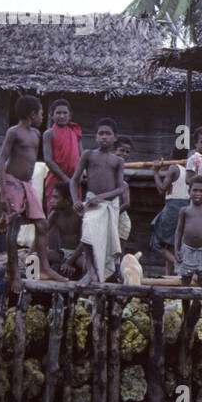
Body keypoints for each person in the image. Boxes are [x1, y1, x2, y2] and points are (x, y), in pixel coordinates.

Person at [0, 95, 66, 292]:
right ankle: (13, 273)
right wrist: (3, 191)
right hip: (12, 183)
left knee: (42, 224)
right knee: (13, 228)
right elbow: (1, 160)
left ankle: (43, 268)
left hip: (26, 184)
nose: (43, 117)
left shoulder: (36, 134)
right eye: (42, 113)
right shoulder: (14, 132)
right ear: (32, 114)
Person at [68, 118, 126, 285]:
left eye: (108, 134)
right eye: (101, 133)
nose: (104, 137)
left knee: (106, 241)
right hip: (91, 201)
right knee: (87, 232)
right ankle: (91, 272)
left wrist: (102, 197)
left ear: (115, 137)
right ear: (95, 137)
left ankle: (105, 275)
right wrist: (75, 200)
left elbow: (120, 188)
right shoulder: (88, 155)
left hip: (108, 204)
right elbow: (74, 180)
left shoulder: (118, 161)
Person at [41, 98, 82, 216]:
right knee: (54, 213)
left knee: (74, 213)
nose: (62, 116)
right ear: (51, 115)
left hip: (74, 180)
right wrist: (64, 178)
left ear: (70, 115)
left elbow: (81, 155)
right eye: (58, 113)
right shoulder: (49, 133)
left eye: (65, 113)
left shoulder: (75, 131)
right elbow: (48, 160)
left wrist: (78, 175)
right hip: (56, 178)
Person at [150, 149, 187, 275]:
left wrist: (155, 172)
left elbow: (161, 190)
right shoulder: (189, 169)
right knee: (171, 245)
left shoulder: (174, 168)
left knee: (156, 243)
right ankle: (169, 275)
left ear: (171, 156)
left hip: (173, 207)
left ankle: (177, 263)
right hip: (185, 206)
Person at [45, 182, 84, 279]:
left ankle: (85, 293)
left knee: (87, 266)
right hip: (62, 253)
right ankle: (33, 283)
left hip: (78, 254)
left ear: (67, 201)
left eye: (55, 197)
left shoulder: (79, 216)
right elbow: (41, 234)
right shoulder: (55, 215)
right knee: (36, 256)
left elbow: (84, 242)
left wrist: (69, 262)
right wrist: (30, 254)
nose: (51, 201)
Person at [114, 135, 134, 247]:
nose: (124, 154)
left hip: (120, 219)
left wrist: (113, 213)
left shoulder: (123, 182)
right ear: (114, 150)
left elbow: (126, 203)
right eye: (121, 150)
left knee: (118, 251)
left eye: (127, 152)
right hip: (109, 214)